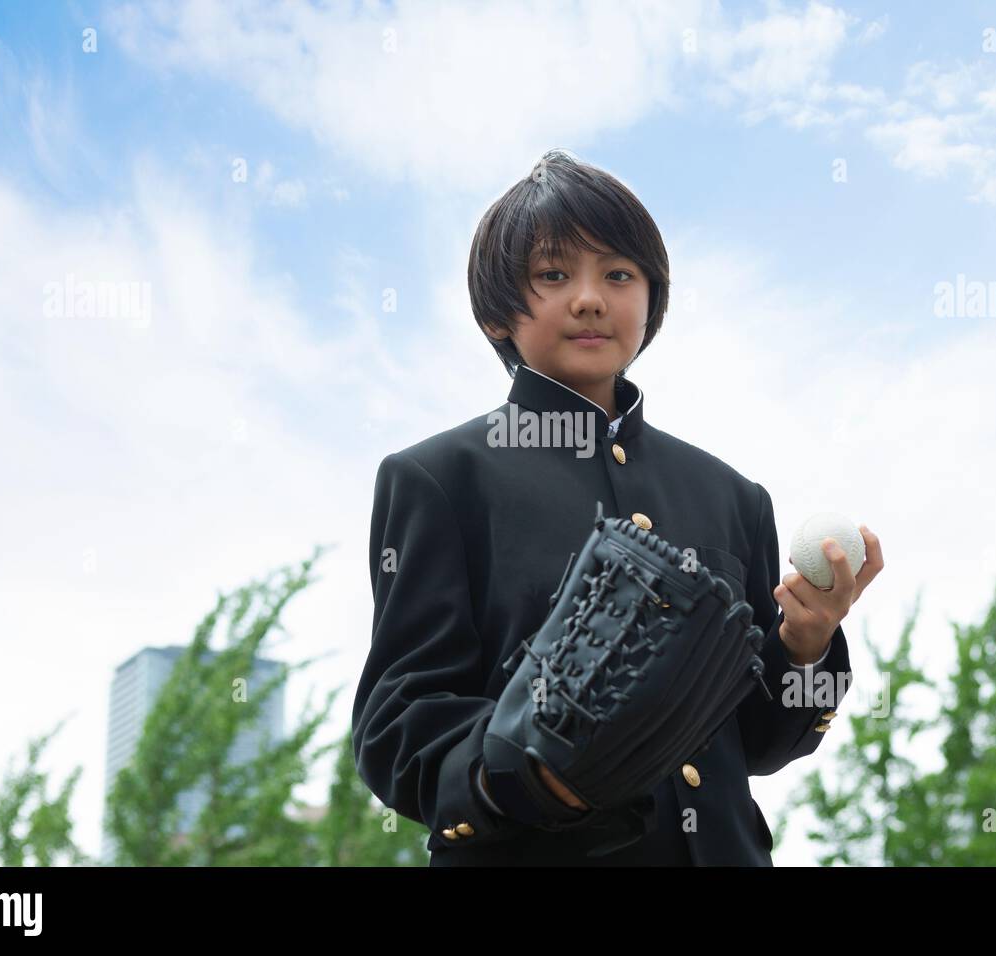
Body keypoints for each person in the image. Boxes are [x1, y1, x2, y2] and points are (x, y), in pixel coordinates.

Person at [352, 148, 884, 866]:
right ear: (493, 315)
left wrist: (808, 644)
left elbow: (760, 744)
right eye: (552, 274)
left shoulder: (732, 496)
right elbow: (400, 731)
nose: (589, 298)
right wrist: (533, 779)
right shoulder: (440, 478)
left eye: (618, 274)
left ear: (650, 299)